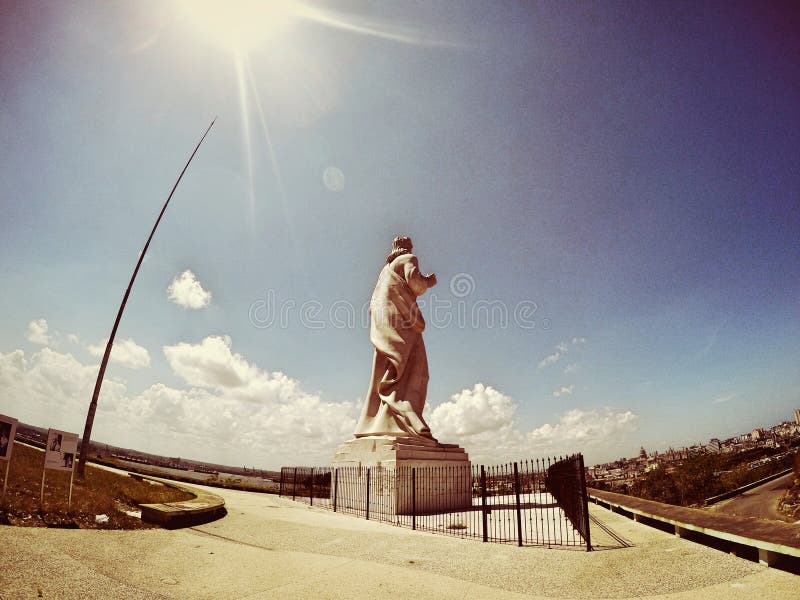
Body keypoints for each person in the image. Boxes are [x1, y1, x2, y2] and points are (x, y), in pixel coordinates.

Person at [354, 236, 438, 440]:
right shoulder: (409, 258)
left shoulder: (385, 270)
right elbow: (416, 284)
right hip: (401, 319)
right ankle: (408, 414)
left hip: (383, 320)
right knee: (417, 368)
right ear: (408, 247)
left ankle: (379, 419)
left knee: (389, 367)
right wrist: (430, 281)